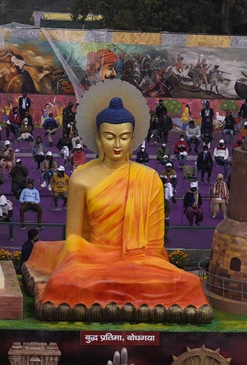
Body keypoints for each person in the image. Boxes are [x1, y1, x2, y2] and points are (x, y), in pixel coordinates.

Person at [25, 86, 207, 318]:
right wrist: (82, 256)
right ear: (99, 139)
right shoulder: (81, 178)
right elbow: (73, 237)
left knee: (188, 283)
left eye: (124, 137)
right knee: (64, 283)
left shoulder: (149, 178)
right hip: (91, 258)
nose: (117, 145)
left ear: (133, 138)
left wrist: (136, 263)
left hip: (141, 261)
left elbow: (154, 245)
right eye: (110, 137)